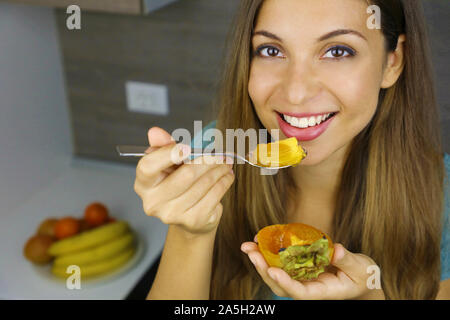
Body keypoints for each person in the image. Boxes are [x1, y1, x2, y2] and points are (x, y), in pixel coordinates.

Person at [133, 0, 450, 300]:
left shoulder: (444, 196)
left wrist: (370, 295)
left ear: (392, 62)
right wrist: (190, 232)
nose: (296, 93)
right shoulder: (213, 150)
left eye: (338, 51)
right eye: (271, 50)